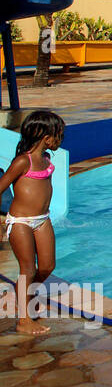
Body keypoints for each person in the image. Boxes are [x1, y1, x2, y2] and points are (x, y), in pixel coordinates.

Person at [0, 110, 65, 335]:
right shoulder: (22, 161)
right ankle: (24, 320)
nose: (60, 139)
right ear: (46, 137)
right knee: (27, 268)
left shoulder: (45, 159)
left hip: (42, 219)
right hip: (21, 221)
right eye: (58, 135)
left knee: (47, 266)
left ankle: (25, 293)